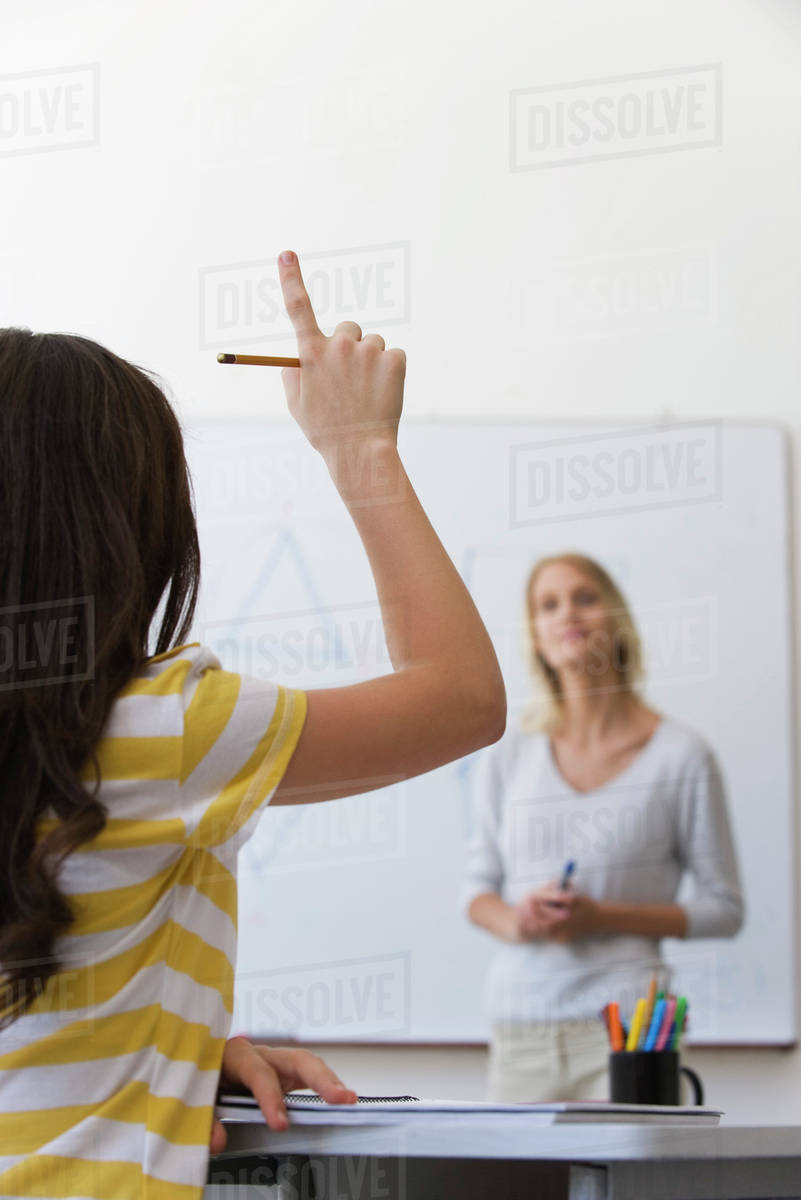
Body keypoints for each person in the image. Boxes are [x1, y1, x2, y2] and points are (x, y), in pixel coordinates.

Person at [0, 252, 506, 1198]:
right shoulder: (160, 730)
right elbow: (462, 698)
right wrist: (359, 448)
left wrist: (173, 1044)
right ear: (133, 526)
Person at [464, 553, 743, 1102]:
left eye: (585, 597)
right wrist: (523, 921)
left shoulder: (682, 757)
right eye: (548, 604)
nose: (568, 612)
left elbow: (725, 909)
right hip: (521, 1031)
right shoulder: (508, 754)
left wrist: (601, 918)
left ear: (617, 620)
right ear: (537, 639)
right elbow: (476, 893)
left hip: (632, 1033)